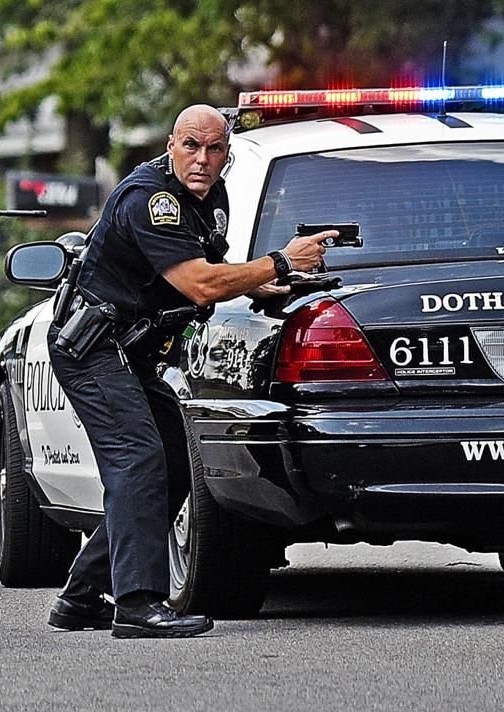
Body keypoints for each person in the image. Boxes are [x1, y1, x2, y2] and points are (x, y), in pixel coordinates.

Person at [46, 104, 333, 639]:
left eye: (215, 149)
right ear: (171, 145)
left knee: (175, 464)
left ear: (227, 154)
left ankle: (82, 595)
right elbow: (201, 285)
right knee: (139, 459)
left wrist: (257, 284)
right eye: (191, 147)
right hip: (94, 346)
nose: (202, 159)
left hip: (134, 350)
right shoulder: (149, 201)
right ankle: (137, 605)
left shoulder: (210, 197)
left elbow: (202, 275)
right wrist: (280, 263)